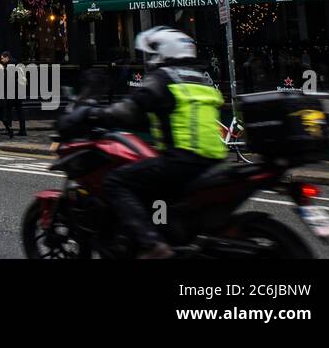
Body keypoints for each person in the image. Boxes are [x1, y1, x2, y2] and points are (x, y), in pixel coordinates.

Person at [72, 27, 226, 259]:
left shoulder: (165, 78)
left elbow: (130, 108)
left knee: (116, 182)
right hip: (215, 160)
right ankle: (165, 227)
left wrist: (96, 114)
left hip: (182, 159)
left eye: (154, 53)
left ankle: (152, 244)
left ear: (164, 53)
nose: (151, 59)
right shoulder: (202, 79)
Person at [0, 50, 27, 136]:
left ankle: (9, 129)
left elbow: (8, 78)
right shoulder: (16, 62)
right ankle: (23, 130)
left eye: (2, 58)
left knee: (8, 110)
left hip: (12, 91)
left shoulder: (10, 65)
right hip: (18, 90)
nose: (2, 60)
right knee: (19, 110)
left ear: (7, 57)